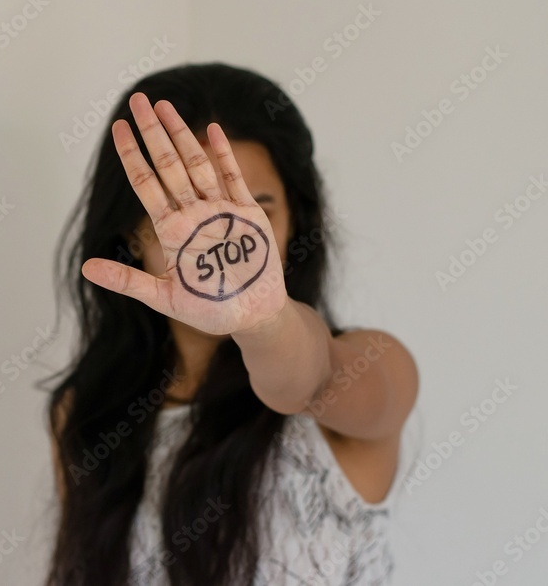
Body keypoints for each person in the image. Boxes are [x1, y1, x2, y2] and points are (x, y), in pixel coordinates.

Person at [44, 63, 420, 585]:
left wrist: (263, 320)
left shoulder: (373, 369)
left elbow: (308, 379)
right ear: (131, 231)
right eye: (188, 214)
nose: (217, 243)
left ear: (295, 224)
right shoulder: (87, 411)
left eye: (253, 215)